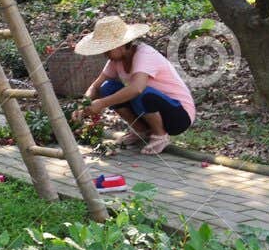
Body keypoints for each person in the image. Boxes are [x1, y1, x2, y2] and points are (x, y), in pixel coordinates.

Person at [73, 15, 195, 155]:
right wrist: (84, 104)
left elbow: (137, 88)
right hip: (154, 110)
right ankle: (141, 131)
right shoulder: (116, 61)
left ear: (121, 45)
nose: (105, 54)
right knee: (107, 87)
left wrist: (101, 103)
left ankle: (160, 136)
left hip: (179, 116)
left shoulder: (145, 54)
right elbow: (96, 86)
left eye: (108, 50)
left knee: (141, 92)